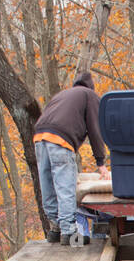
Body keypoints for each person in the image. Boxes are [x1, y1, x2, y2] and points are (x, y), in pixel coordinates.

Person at [33, 71, 109, 244]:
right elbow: (95, 130)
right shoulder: (89, 96)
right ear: (91, 87)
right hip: (61, 139)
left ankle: (55, 229)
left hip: (39, 136)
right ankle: (70, 233)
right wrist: (100, 162)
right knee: (65, 184)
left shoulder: (62, 95)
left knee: (48, 183)